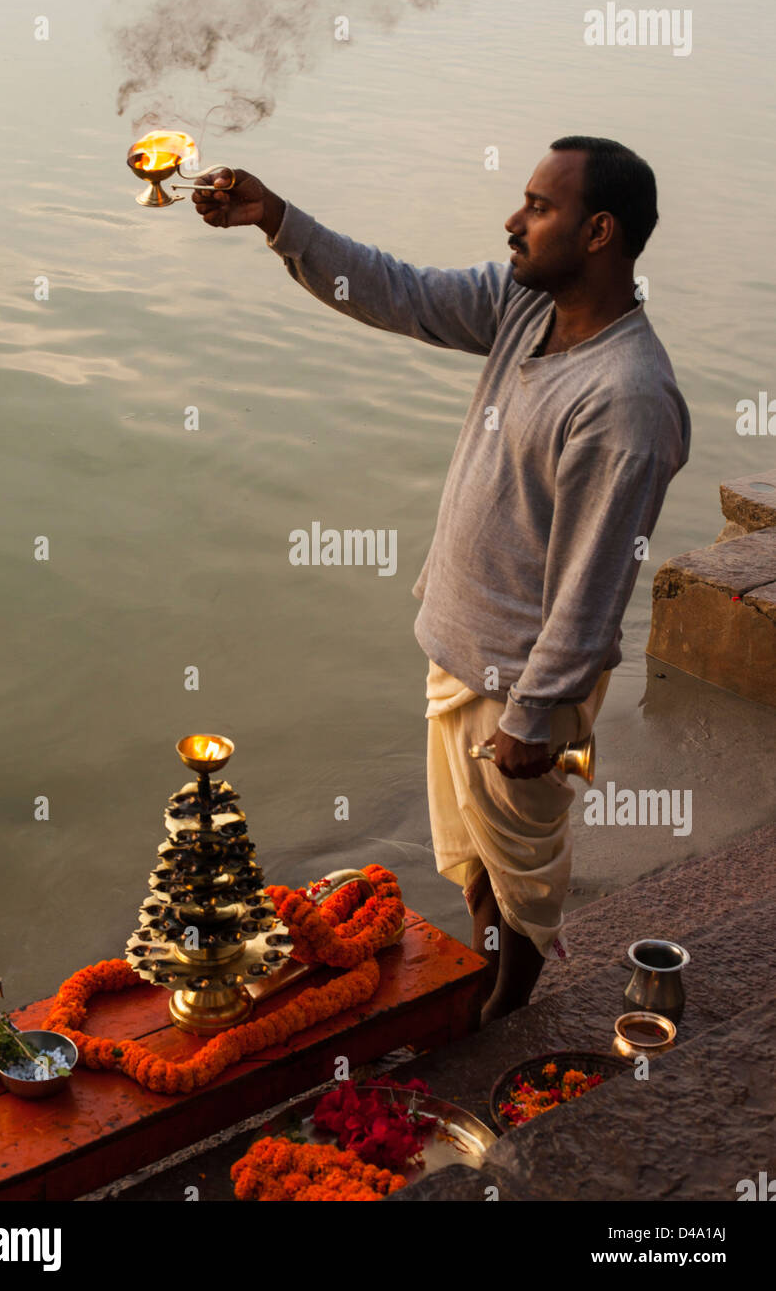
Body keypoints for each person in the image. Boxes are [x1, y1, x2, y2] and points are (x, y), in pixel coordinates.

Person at [191, 136, 691, 1022]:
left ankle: (509, 1021)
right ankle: (483, 998)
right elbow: (397, 290)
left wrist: (536, 714)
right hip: (458, 656)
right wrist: (276, 218)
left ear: (600, 231)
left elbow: (593, 586)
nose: (514, 222)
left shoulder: (627, 399)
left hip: (521, 682)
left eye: (539, 207)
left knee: (525, 877)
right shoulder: (521, 307)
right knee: (476, 863)